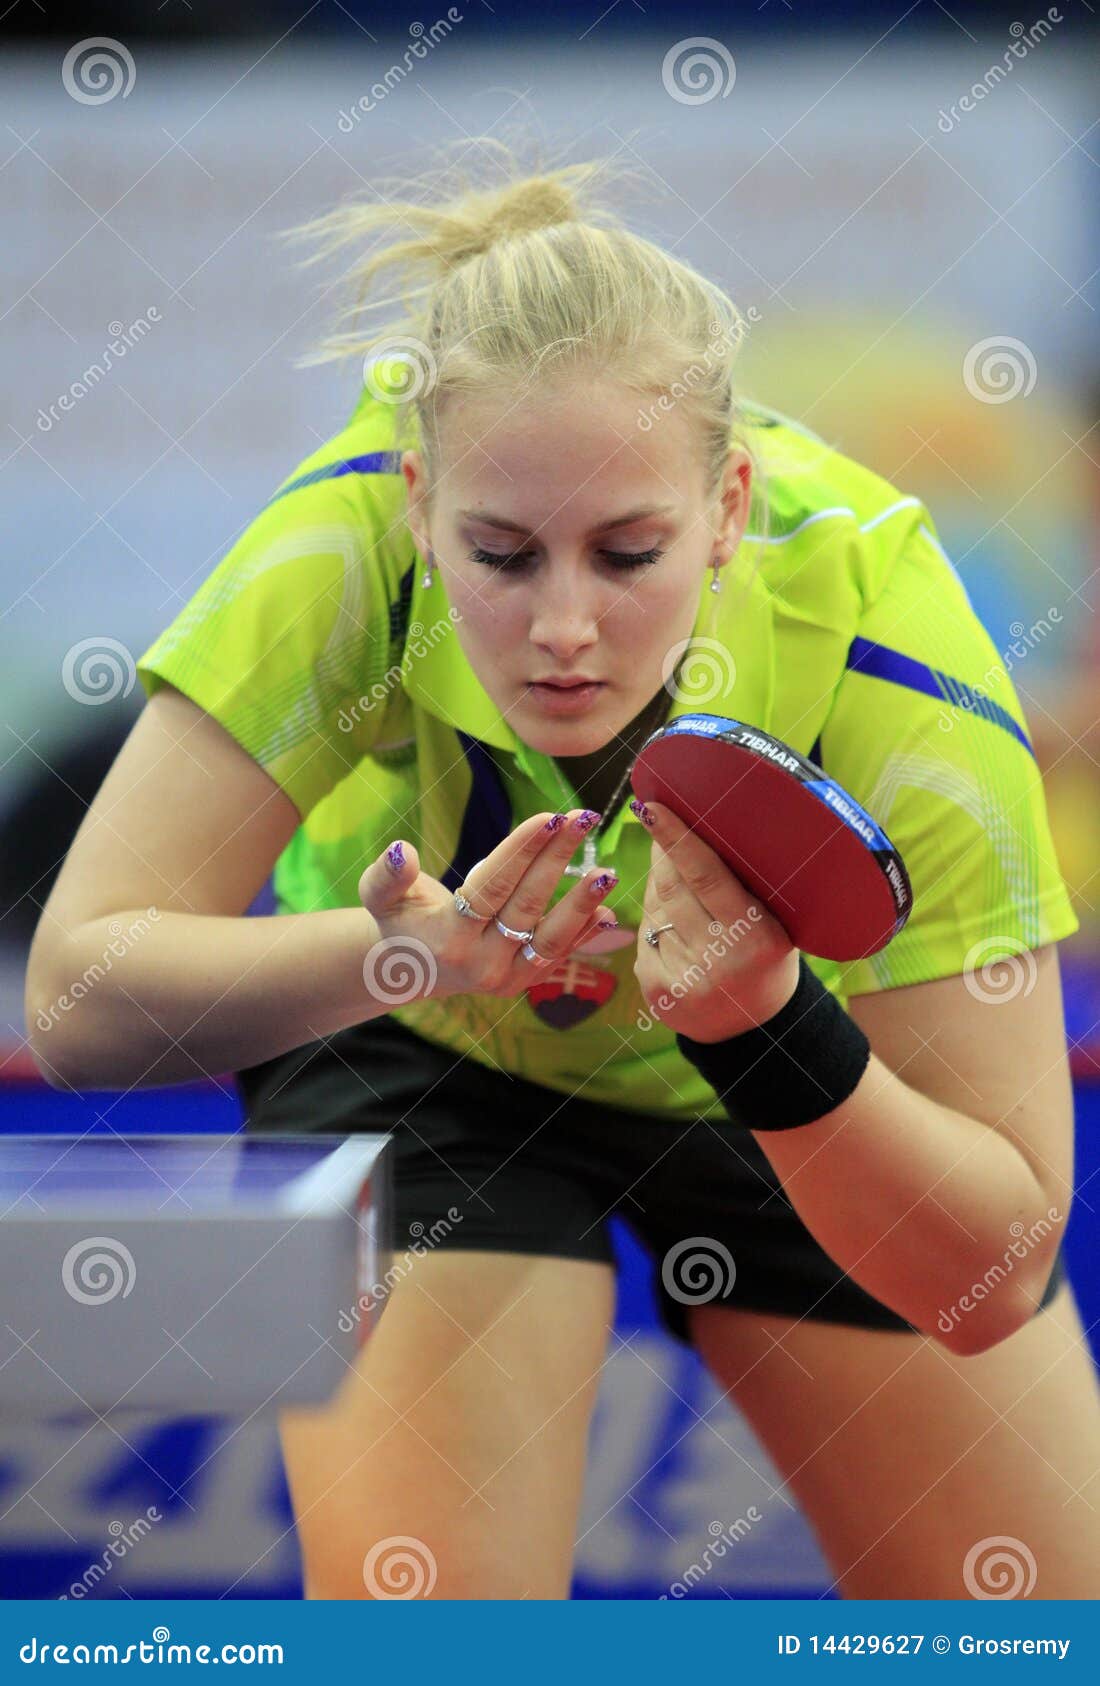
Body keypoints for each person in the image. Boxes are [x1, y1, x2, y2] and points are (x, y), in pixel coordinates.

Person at [25, 147, 1100, 1602]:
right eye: (503, 553)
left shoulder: (895, 656)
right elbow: (80, 995)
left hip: (803, 1064)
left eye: (631, 551)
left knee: (1027, 1635)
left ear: (728, 507)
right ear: (417, 503)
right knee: (443, 1651)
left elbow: (991, 1274)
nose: (564, 626)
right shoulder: (340, 549)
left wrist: (765, 1028)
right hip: (427, 1056)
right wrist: (405, 951)